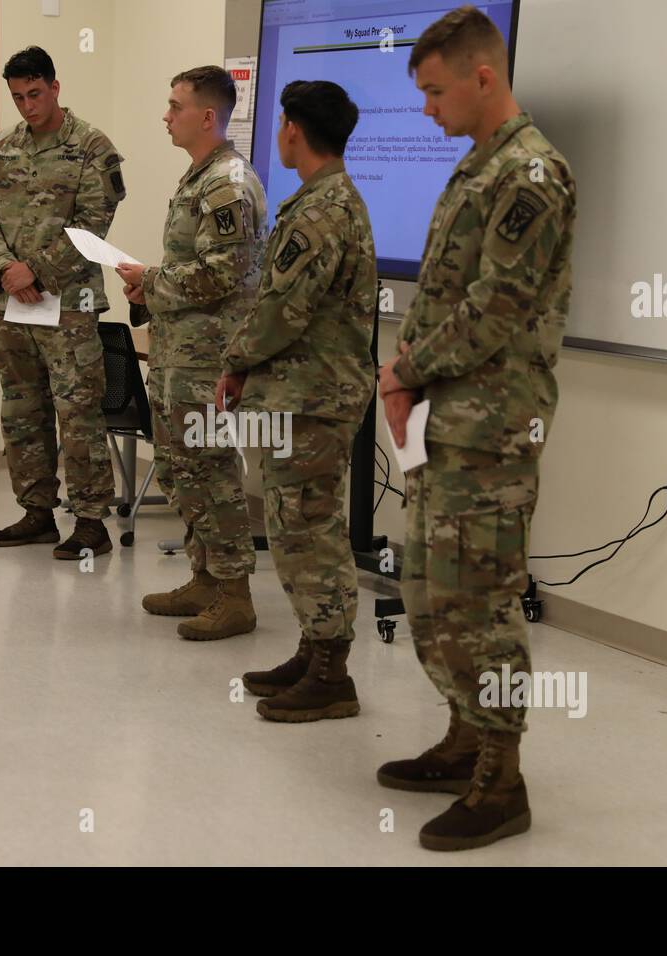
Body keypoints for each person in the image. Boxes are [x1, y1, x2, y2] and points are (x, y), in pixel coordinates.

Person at [376, 5, 577, 851]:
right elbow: (444, 295)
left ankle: (503, 778)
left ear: (482, 76)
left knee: (480, 605)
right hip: (446, 420)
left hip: (491, 430)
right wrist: (410, 377)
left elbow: (492, 312)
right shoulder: (476, 170)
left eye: (433, 91)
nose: (426, 109)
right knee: (430, 594)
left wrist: (403, 370)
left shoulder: (530, 176)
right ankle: (465, 736)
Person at [219, 81, 377, 722]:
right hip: (306, 393)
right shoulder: (329, 200)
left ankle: (332, 671)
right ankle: (315, 649)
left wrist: (235, 360)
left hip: (311, 397)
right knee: (298, 525)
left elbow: (283, 309)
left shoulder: (318, 212)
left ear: (292, 130)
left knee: (307, 529)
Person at [116, 66, 267, 641]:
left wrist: (151, 281)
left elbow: (223, 274)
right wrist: (150, 287)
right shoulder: (197, 178)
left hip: (209, 361)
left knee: (211, 472)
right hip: (181, 355)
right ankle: (205, 578)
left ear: (207, 116)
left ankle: (235, 595)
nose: (165, 115)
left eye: (175, 106)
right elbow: (195, 270)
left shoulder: (226, 183)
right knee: (183, 470)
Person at [0, 46, 126, 560]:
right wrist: (3, 272)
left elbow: (93, 222)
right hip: (13, 303)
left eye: (35, 94)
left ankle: (90, 521)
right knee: (21, 409)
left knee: (77, 411)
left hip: (70, 303)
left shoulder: (90, 146)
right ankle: (37, 511)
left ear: (55, 87)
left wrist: (34, 269)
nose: (27, 106)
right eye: (17, 97)